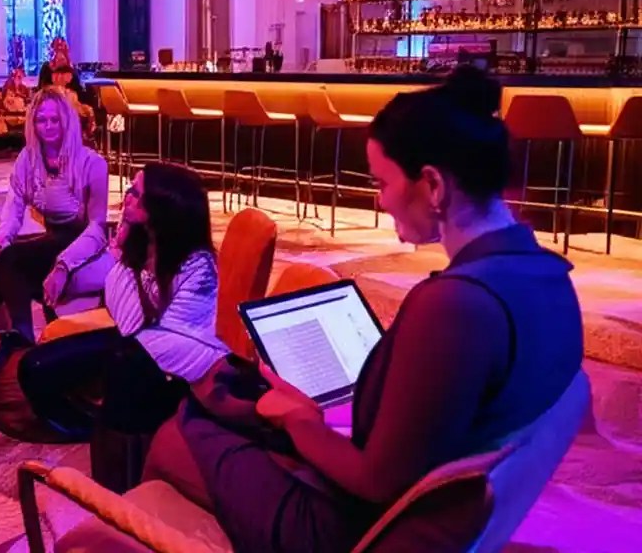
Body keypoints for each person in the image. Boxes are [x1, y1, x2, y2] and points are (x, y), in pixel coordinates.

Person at [148, 66, 584, 552]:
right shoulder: (548, 277)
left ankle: (116, 528)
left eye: (382, 182)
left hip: (347, 529)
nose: (380, 201)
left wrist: (302, 422)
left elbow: (375, 481)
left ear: (433, 186)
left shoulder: (456, 306)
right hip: (419, 510)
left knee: (177, 430)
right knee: (231, 408)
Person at [17, 162, 225, 439]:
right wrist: (123, 242)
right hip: (133, 345)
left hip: (166, 371)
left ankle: (110, 433)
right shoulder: (145, 245)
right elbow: (116, 304)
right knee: (33, 368)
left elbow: (134, 329)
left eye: (136, 193)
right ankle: (93, 425)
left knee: (120, 364)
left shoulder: (198, 268)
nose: (127, 195)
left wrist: (126, 256)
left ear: (160, 209)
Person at [0, 88, 111, 385]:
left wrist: (64, 264)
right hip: (51, 237)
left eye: (54, 120)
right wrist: (0, 240)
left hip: (82, 241)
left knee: (14, 260)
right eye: (41, 120)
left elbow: (98, 229)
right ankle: (9, 340)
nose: (47, 127)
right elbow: (13, 206)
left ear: (67, 122)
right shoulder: (28, 158)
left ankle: (21, 346)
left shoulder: (92, 163)